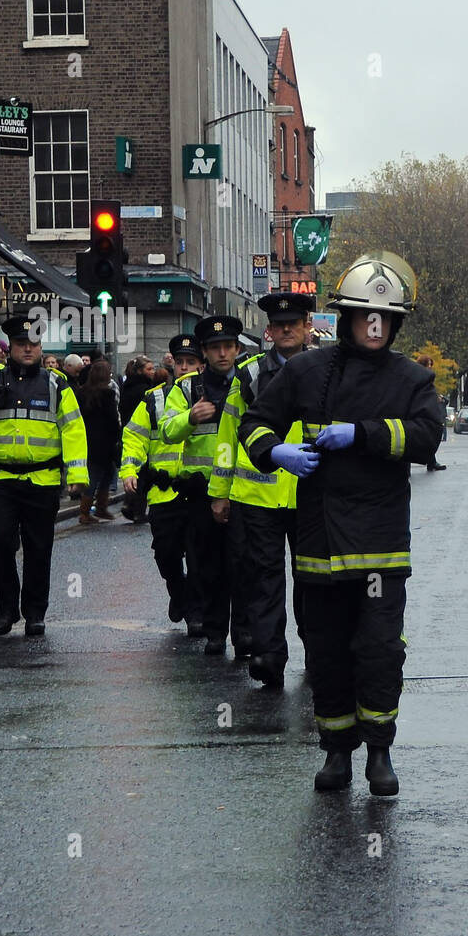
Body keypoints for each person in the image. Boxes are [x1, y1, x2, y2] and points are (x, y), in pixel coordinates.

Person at [239, 251, 443, 796]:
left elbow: (427, 439)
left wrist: (364, 434)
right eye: (363, 316)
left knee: (378, 650)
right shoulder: (307, 371)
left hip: (379, 548)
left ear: (395, 322)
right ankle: (335, 753)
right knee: (325, 649)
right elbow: (254, 426)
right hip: (319, 544)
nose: (373, 326)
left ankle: (380, 752)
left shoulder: (413, 380)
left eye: (383, 318)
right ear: (347, 319)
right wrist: (277, 452)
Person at [0, 316, 89, 635]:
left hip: (42, 481)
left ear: (41, 347)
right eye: (21, 344)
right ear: (10, 347)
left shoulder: (57, 384)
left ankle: (34, 612)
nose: (27, 350)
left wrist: (77, 473)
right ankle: (6, 609)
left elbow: (73, 429)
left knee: (38, 547)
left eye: (33, 344)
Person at [211, 293, 314, 689]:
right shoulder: (248, 376)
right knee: (264, 578)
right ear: (268, 330)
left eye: (294, 322)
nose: (286, 329)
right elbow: (227, 435)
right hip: (257, 497)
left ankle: (317, 653)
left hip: (310, 494)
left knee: (312, 579)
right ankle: (269, 655)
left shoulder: (324, 370)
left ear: (307, 326)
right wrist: (220, 492)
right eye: (279, 324)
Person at [162, 315, 244, 656]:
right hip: (201, 493)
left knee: (243, 566)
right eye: (215, 348)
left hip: (242, 491)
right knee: (206, 565)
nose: (222, 353)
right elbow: (167, 430)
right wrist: (189, 418)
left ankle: (245, 634)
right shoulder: (186, 388)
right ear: (205, 353)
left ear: (238, 349)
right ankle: (214, 631)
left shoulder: (250, 381)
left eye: (228, 347)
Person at [122, 334, 202, 632]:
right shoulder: (154, 398)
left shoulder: (212, 397)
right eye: (179, 362)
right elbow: (134, 437)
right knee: (166, 553)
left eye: (191, 363)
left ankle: (195, 613)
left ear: (201, 365)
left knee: (197, 556)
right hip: (163, 492)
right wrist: (129, 469)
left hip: (197, 493)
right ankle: (177, 592)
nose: (184, 368)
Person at [74, 359, 121, 524]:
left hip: (87, 440)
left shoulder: (81, 392)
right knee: (97, 476)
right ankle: (85, 512)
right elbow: (112, 419)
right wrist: (117, 435)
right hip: (104, 442)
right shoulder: (107, 394)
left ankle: (100, 507)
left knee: (104, 474)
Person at [118, 356, 155, 522]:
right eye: (149, 369)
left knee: (139, 473)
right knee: (143, 475)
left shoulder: (127, 386)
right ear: (140, 371)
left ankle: (130, 504)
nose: (152, 372)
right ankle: (137, 509)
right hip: (139, 433)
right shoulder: (144, 390)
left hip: (129, 430)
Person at [413, 353, 447, 470]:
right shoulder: (420, 376)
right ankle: (430, 462)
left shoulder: (424, 376)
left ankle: (431, 462)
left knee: (428, 437)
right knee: (418, 437)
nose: (431, 367)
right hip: (419, 411)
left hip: (424, 410)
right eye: (429, 365)